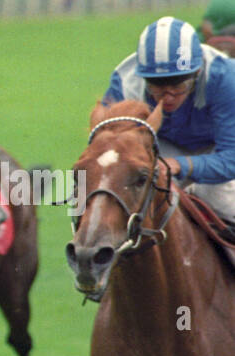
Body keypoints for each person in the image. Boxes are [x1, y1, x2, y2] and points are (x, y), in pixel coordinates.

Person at [93, 16, 235, 226]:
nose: (167, 96)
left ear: (197, 73)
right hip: (160, 148)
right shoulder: (126, 83)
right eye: (157, 85)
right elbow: (105, 150)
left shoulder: (225, 78)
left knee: (218, 197)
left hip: (219, 149)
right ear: (143, 77)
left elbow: (231, 158)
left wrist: (181, 165)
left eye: (178, 85)